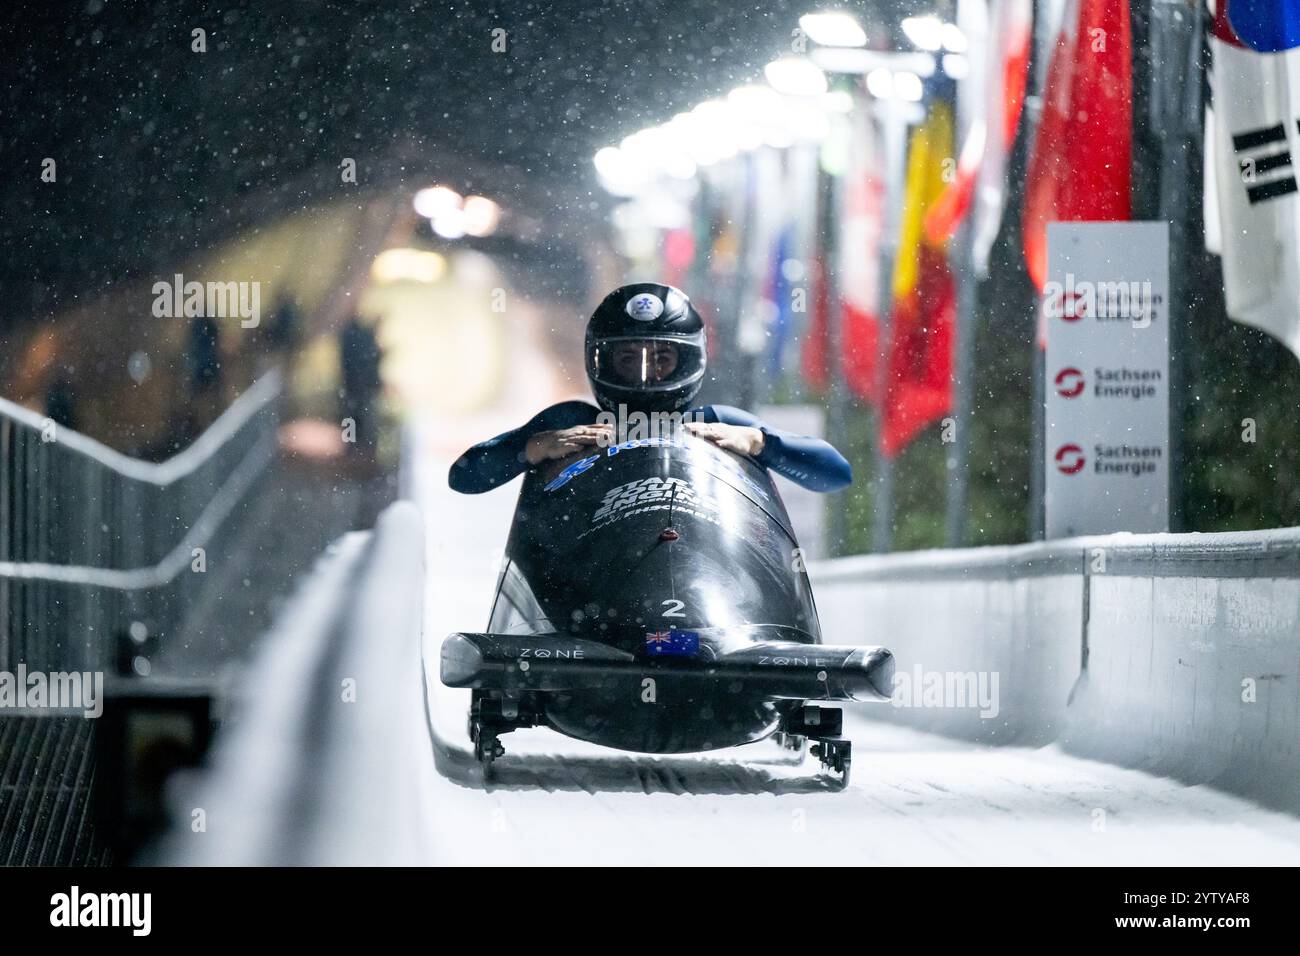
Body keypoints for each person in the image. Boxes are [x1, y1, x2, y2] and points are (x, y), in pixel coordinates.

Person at [449, 282, 851, 494]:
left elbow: (835, 473)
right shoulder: (572, 422)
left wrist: (762, 443)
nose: (645, 376)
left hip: (697, 577)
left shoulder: (717, 425)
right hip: (590, 585)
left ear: (688, 362)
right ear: (602, 361)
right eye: (628, 360)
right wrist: (532, 447)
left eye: (660, 360)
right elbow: (464, 477)